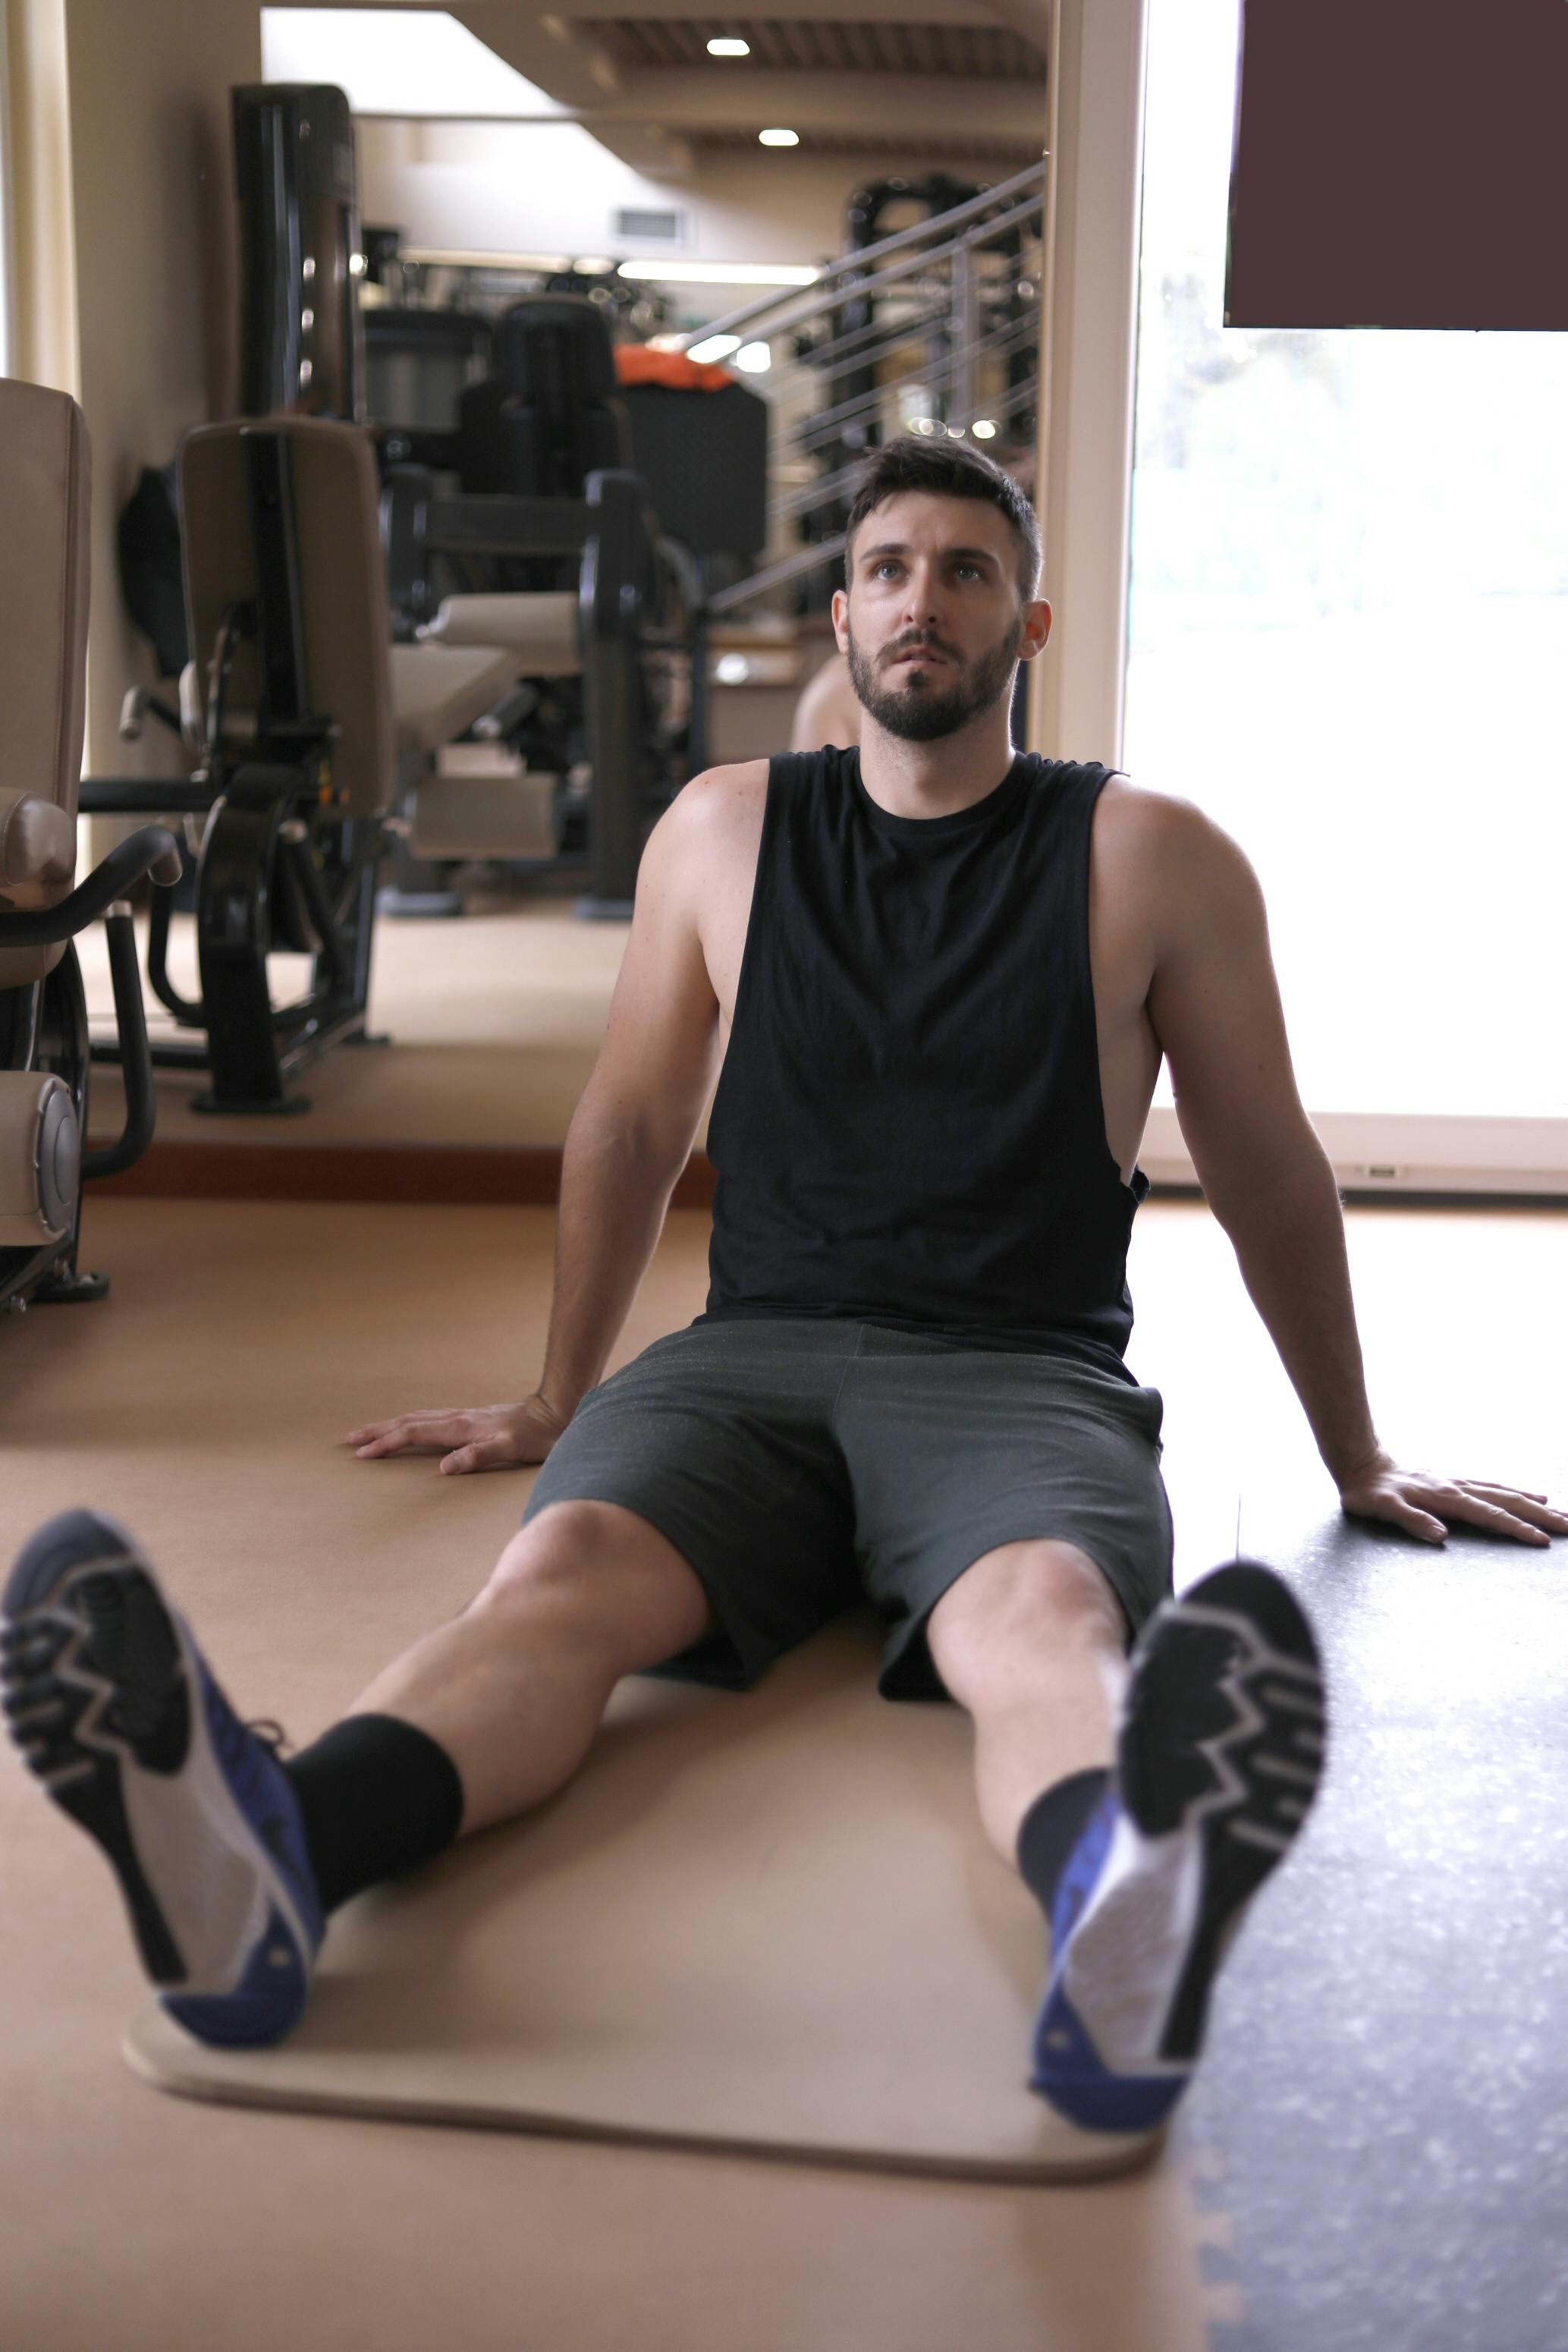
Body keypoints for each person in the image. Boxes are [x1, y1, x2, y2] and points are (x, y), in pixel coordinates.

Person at [5, 440, 1562, 2133]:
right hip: (742, 1361)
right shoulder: (723, 828)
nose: (922, 600)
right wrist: (555, 1391)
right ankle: (273, 1855)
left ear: (1025, 619)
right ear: (841, 615)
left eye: (965, 571)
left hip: (1016, 1371)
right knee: (555, 1585)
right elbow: (628, 1121)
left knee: (1035, 1623)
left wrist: (1352, 1455)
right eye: (888, 566)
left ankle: (1125, 1906)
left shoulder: (1149, 856)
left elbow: (1266, 1166)